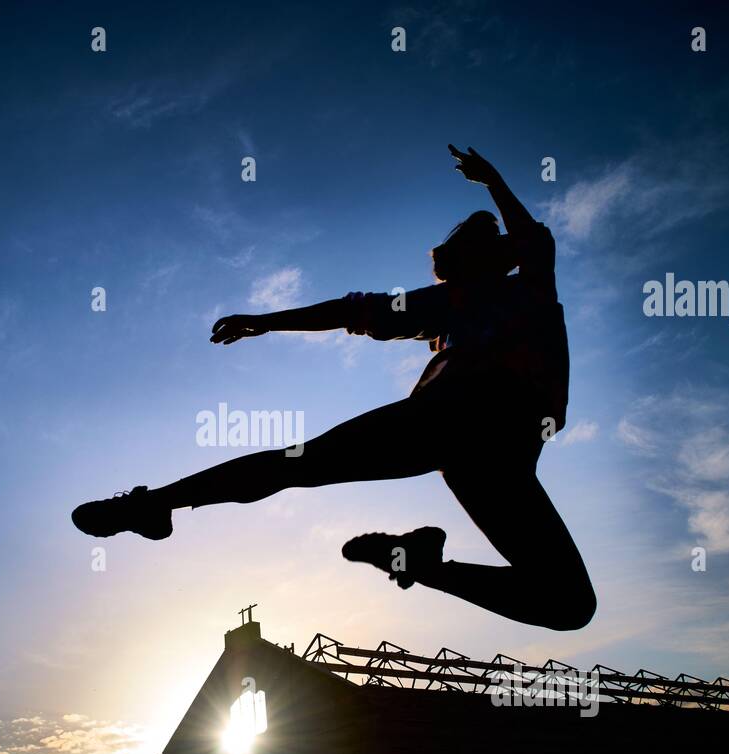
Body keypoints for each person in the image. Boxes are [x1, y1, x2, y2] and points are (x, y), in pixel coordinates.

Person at [72, 145, 595, 631]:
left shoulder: (524, 287)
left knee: (569, 604)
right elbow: (351, 310)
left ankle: (421, 565)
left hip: (495, 460)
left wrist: (493, 182)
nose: (509, 245)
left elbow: (532, 240)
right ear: (472, 261)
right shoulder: (455, 301)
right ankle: (150, 502)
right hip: (461, 417)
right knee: (296, 465)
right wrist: (267, 321)